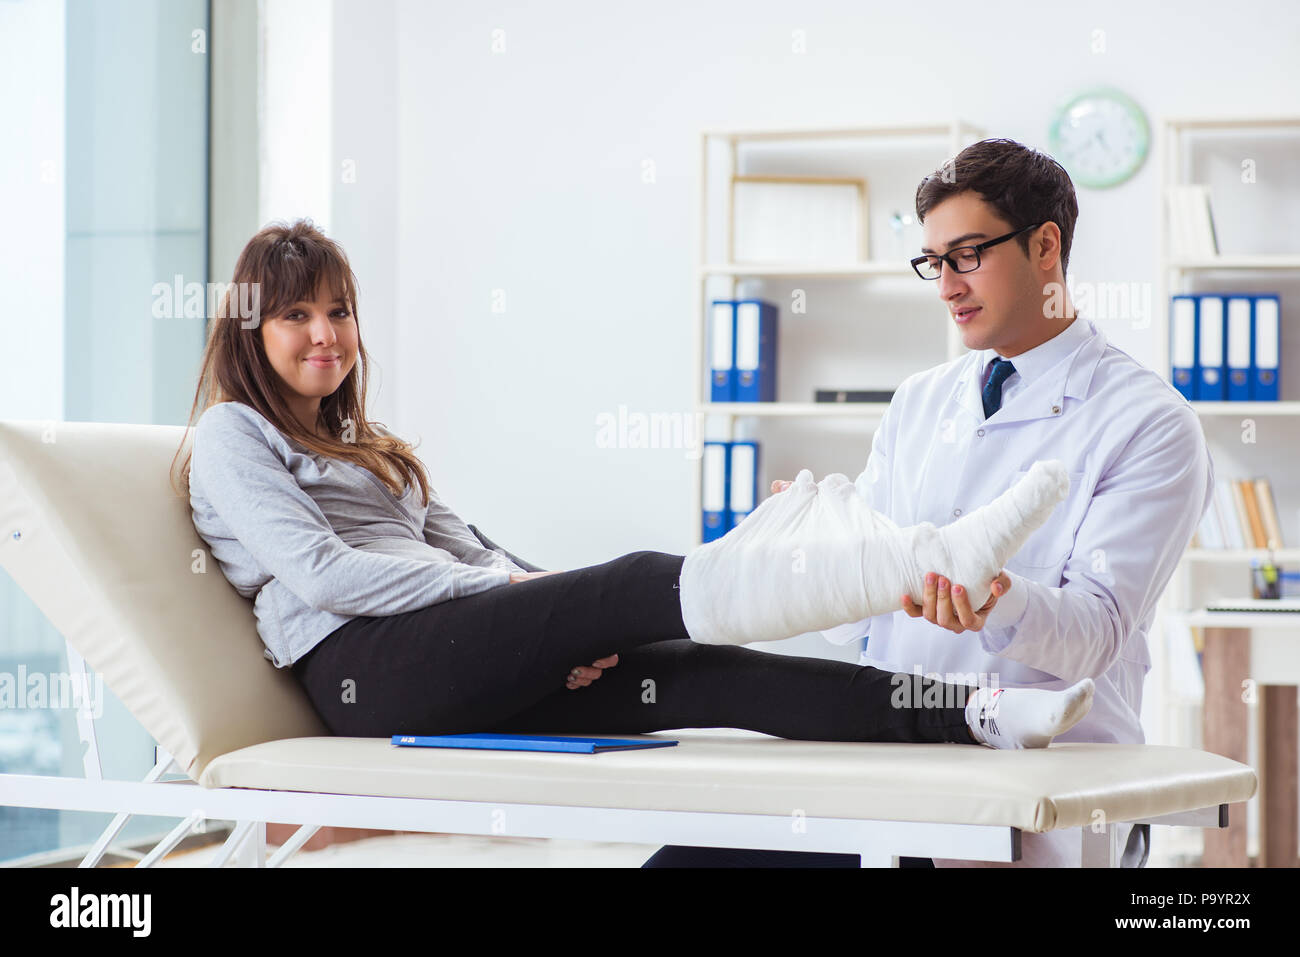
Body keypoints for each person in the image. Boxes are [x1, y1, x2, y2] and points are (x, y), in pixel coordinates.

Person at [174, 219, 1098, 852]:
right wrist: (517, 602)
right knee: (640, 576)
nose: (326, 334)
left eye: (338, 310)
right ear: (251, 327)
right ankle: (924, 561)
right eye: (297, 314)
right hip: (359, 670)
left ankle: (970, 714)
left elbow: (476, 550)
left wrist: (560, 619)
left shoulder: (366, 445)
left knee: (696, 669)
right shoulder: (233, 434)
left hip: (439, 651)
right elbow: (323, 573)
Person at [645, 138, 1213, 868]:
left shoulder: (1148, 421)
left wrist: (996, 600)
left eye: (967, 255)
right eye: (932, 262)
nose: (946, 284)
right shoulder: (920, 401)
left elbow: (1097, 631)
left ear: (1046, 247)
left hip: (1038, 792)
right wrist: (818, 550)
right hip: (890, 760)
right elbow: (864, 615)